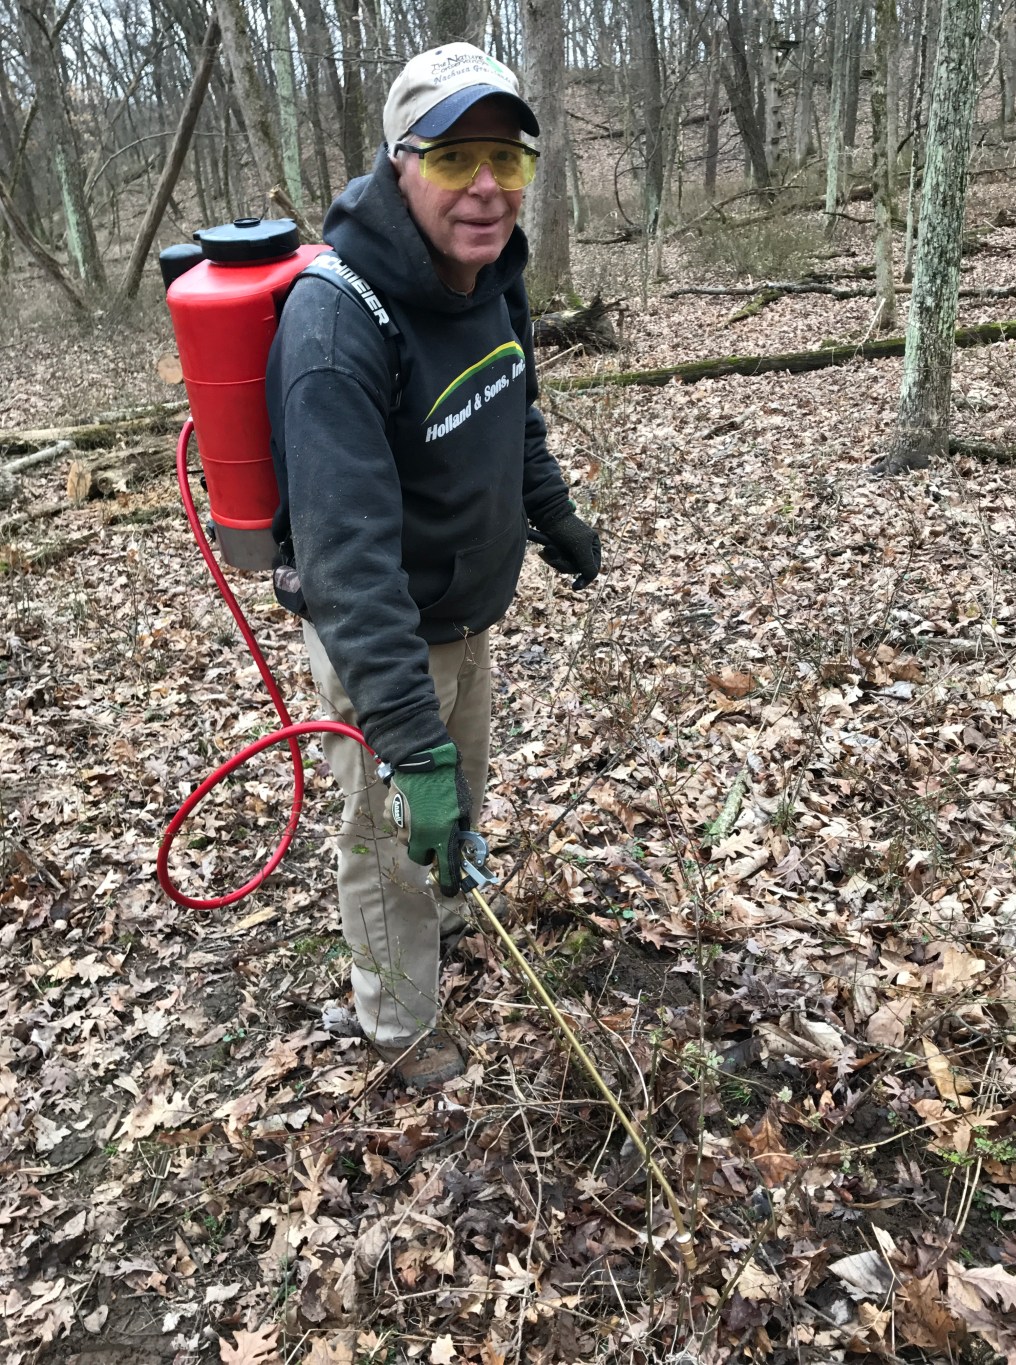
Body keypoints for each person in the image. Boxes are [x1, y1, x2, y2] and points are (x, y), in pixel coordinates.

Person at [266, 43, 601, 1089]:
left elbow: (514, 416)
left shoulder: (493, 275)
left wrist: (555, 518)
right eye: (455, 158)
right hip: (382, 633)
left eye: (508, 156)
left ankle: (450, 909)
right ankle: (396, 1024)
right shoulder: (336, 322)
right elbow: (344, 559)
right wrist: (405, 743)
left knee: (459, 795)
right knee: (391, 833)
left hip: (469, 610)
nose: (489, 186)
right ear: (399, 163)